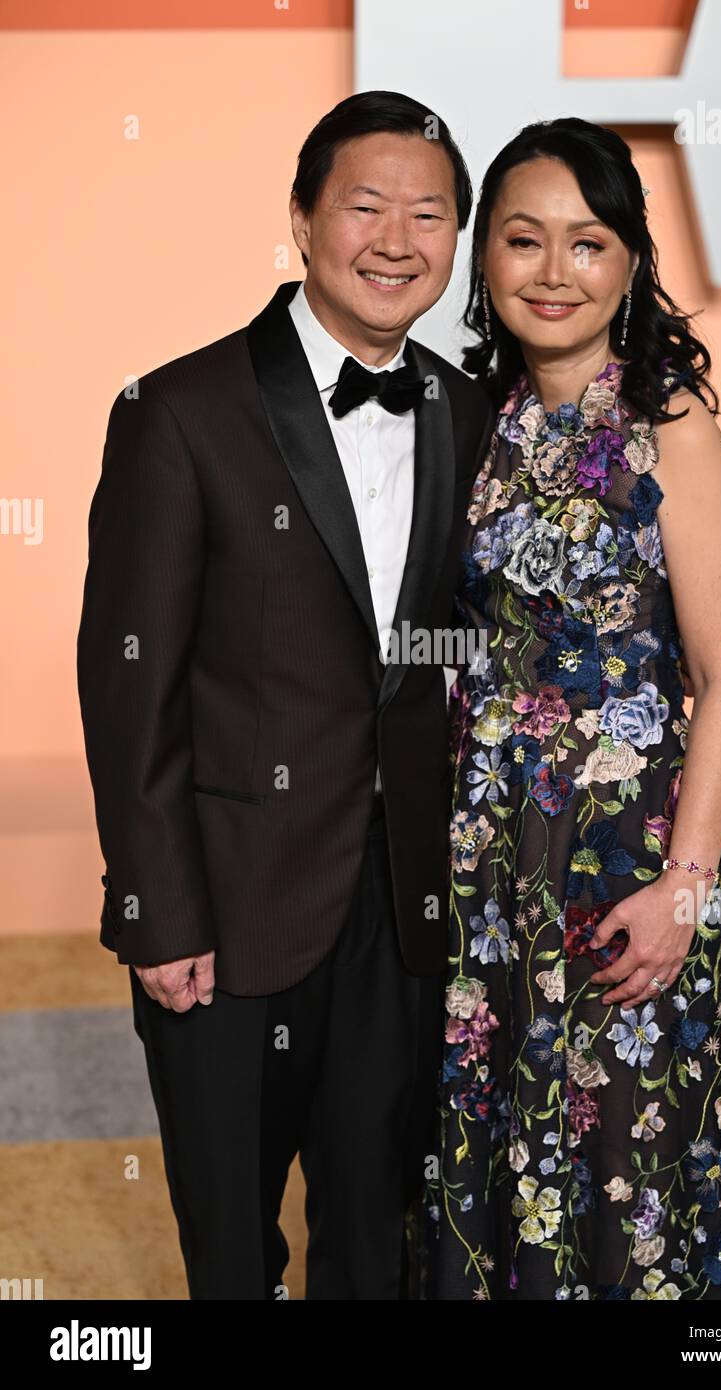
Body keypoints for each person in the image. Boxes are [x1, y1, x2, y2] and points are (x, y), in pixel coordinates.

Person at [76, 89, 494, 1300]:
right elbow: (127, 678)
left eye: (428, 215)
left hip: (401, 915)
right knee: (231, 1260)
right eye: (364, 205)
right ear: (303, 219)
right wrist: (157, 907)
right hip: (227, 912)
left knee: (375, 1245)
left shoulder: (464, 411)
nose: (396, 239)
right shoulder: (179, 412)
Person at [417, 117, 721, 1300]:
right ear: (484, 262)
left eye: (586, 243)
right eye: (522, 240)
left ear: (629, 261)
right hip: (486, 868)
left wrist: (683, 882)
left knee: (633, 1159)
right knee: (499, 1157)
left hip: (628, 854)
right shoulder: (470, 417)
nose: (551, 271)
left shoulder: (666, 420)